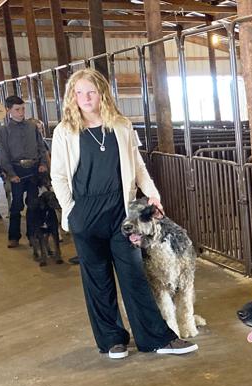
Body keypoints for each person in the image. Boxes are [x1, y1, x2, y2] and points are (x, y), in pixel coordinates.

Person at [49, 68, 197, 359]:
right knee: (97, 279)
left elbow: (138, 165)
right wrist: (71, 211)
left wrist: (152, 192)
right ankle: (112, 340)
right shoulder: (64, 131)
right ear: (72, 97)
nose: (85, 98)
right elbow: (59, 177)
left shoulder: (121, 125)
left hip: (121, 212)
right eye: (78, 93)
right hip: (85, 211)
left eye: (90, 91)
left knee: (134, 276)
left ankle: (155, 338)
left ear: (102, 92)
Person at [0, 95, 48, 247]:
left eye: (23, 109)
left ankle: (33, 234)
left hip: (33, 169)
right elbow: (3, 154)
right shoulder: (4, 131)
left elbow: (41, 147)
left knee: (33, 203)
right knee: (17, 204)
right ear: (9, 111)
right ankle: (14, 236)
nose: (21, 112)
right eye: (17, 109)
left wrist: (43, 163)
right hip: (16, 170)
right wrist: (11, 174)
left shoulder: (32, 127)